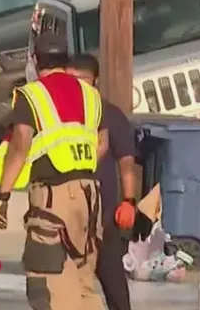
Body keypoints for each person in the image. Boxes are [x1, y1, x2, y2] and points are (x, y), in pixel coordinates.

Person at [0, 32, 108, 310]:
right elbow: (101, 144)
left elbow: (20, 146)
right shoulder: (91, 95)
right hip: (90, 196)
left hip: (53, 200)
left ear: (35, 61)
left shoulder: (32, 95)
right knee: (82, 284)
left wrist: (3, 193)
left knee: (47, 285)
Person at [66, 54, 137, 310]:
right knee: (68, 282)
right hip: (67, 212)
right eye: (70, 79)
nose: (76, 86)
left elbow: (126, 163)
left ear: (94, 81)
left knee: (113, 281)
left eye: (81, 80)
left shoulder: (111, 115)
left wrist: (129, 201)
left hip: (103, 214)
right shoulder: (59, 113)